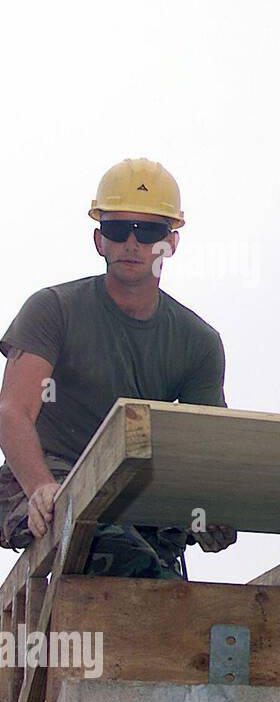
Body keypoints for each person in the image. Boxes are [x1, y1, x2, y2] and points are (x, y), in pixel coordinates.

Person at [0, 158, 237, 576]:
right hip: (54, 475)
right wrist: (41, 487)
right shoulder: (53, 309)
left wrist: (209, 510)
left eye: (148, 231)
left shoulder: (198, 342)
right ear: (99, 240)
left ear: (171, 243)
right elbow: (12, 411)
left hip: (137, 493)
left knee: (150, 566)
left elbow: (207, 446)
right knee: (99, 536)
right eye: (118, 228)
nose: (131, 242)